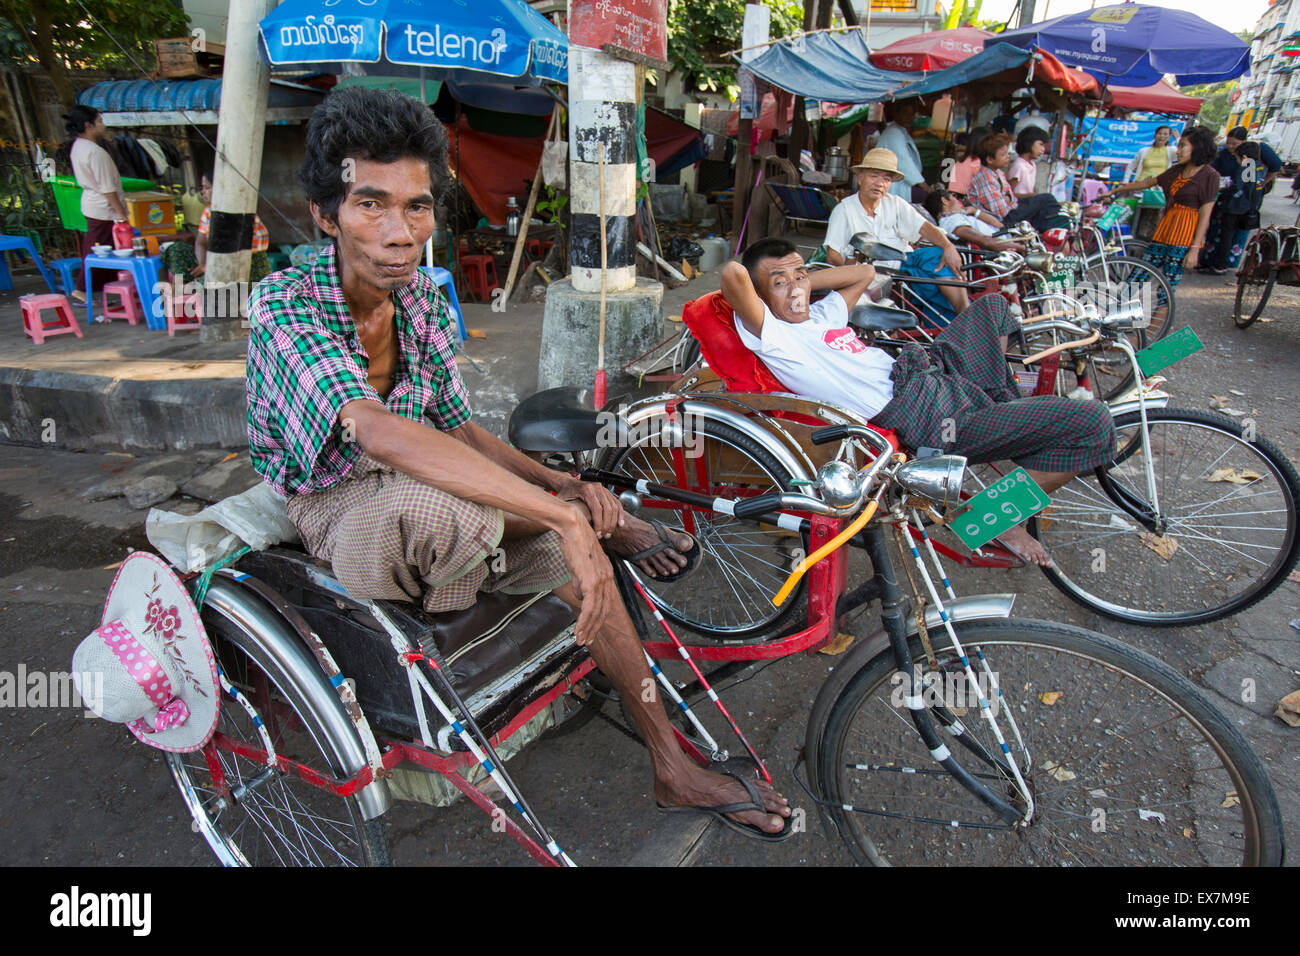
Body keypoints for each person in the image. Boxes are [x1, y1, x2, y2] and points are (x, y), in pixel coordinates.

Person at [243, 87, 792, 840]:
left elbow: (458, 431)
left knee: (568, 547)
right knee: (476, 515)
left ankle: (673, 763)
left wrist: (562, 487)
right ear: (324, 214)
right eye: (371, 205)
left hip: (429, 473)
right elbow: (376, 434)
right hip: (341, 501)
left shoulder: (425, 304)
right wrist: (566, 516)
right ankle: (579, 529)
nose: (400, 233)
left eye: (417, 206)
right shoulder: (286, 304)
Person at [721, 237, 1116, 566]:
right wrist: (777, 287)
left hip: (929, 373)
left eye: (800, 275)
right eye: (778, 283)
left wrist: (800, 280)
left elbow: (864, 272)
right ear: (758, 298)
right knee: (1095, 422)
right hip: (926, 416)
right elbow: (732, 275)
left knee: (992, 306)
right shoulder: (772, 335)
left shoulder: (820, 316)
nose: (794, 289)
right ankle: (997, 517)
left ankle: (1003, 414)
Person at [823, 147, 968, 325]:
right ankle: (963, 320)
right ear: (860, 177)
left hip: (905, 263)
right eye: (874, 176)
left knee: (938, 256)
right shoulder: (844, 210)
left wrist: (948, 247)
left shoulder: (895, 203)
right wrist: (854, 275)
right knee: (933, 274)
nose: (880, 183)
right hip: (871, 271)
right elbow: (833, 255)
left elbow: (924, 227)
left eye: (886, 179)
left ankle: (965, 316)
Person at [1101, 125, 1219, 287]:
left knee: (1166, 291)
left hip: (1183, 239)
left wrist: (1194, 249)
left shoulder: (1210, 176)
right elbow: (1148, 182)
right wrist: (1117, 190)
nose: (1178, 151)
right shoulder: (1177, 170)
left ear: (1197, 148)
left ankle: (1161, 312)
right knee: (1134, 281)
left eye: (1182, 146)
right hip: (1163, 232)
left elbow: (1205, 215)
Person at [57, 105, 127, 303]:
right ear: (88, 125)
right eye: (100, 121)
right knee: (97, 251)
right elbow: (107, 188)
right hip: (103, 208)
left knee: (107, 251)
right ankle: (81, 289)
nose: (103, 125)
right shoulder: (95, 152)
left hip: (94, 204)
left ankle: (109, 288)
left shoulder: (79, 146)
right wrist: (120, 213)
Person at [162, 170, 272, 284]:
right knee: (175, 250)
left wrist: (207, 267)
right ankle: (185, 286)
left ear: (221, 189)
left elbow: (232, 252)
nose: (202, 192)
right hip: (215, 262)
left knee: (213, 286)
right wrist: (202, 264)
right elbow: (201, 242)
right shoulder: (209, 211)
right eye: (202, 188)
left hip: (245, 266)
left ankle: (195, 287)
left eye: (207, 188)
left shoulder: (238, 211)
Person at [965, 133, 1067, 233]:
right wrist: (1008, 199)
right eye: (1003, 154)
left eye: (1008, 153)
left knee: (1044, 208)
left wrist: (1007, 198)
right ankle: (1061, 232)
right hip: (1000, 220)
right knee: (1046, 199)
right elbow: (1001, 212)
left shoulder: (998, 173)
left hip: (1010, 209)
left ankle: (1053, 233)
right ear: (990, 159)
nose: (1008, 156)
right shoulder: (984, 179)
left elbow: (1011, 196)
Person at [1199, 141, 1266, 274]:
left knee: (1226, 236)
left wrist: (1222, 190)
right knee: (1229, 236)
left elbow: (1237, 187)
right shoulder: (1258, 167)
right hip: (1246, 208)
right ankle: (1221, 264)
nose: (1237, 161)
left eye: (1237, 158)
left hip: (1234, 207)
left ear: (1245, 157)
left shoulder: (1246, 168)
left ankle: (1219, 265)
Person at [923, 189, 1026, 253]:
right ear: (944, 200)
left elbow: (1000, 226)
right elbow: (986, 241)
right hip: (1003, 254)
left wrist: (975, 211)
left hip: (1009, 243)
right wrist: (1022, 247)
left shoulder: (960, 216)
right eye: (953, 197)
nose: (959, 201)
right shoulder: (951, 221)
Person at [874, 99, 928, 202]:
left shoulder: (901, 131)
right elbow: (904, 163)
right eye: (905, 113)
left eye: (912, 114)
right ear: (896, 113)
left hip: (900, 184)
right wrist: (925, 186)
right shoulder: (893, 133)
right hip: (893, 186)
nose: (909, 118)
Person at [1214, 126, 1281, 195]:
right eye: (1228, 143)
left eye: (1234, 144)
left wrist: (1261, 184)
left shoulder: (1259, 149)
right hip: (1228, 192)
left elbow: (1277, 165)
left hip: (1247, 194)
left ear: (1244, 141)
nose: (1230, 146)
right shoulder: (1223, 153)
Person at [1008, 127, 1048, 199]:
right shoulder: (1019, 166)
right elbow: (1009, 193)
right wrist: (1029, 196)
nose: (1043, 149)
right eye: (1040, 144)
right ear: (1029, 143)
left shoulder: (1032, 164)